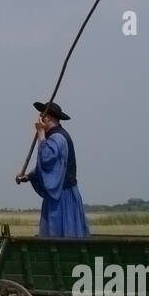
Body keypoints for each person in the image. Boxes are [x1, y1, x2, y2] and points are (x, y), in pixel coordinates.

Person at [15, 101, 89, 238]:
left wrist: (41, 133)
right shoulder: (54, 137)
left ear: (48, 118)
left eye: (41, 115)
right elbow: (48, 167)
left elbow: (47, 159)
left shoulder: (58, 138)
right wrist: (30, 176)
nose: (39, 118)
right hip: (58, 196)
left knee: (61, 236)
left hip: (62, 197)